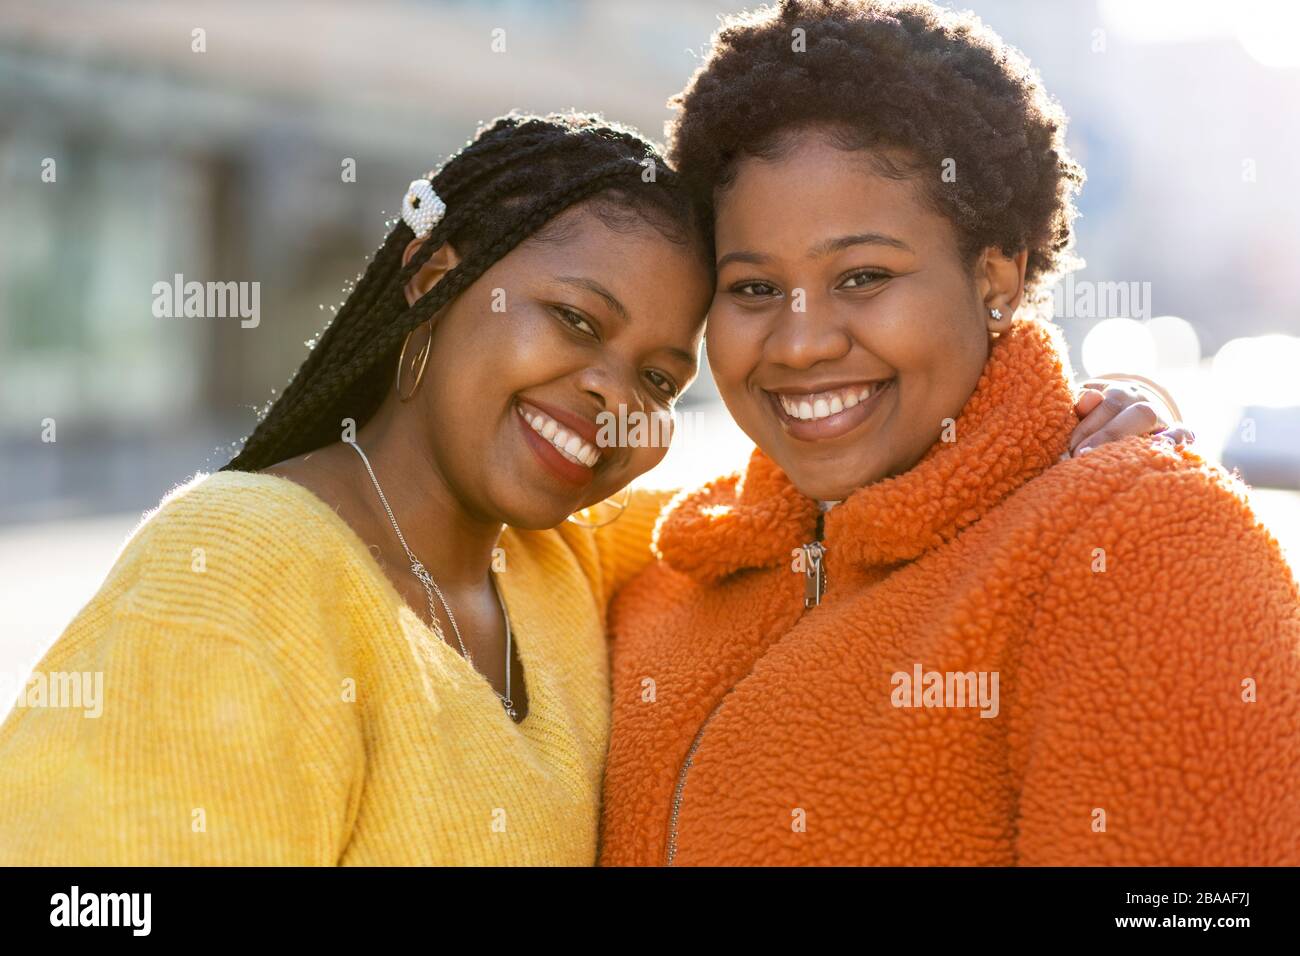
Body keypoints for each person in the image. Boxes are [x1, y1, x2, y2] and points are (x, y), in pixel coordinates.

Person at [0, 112, 1178, 864]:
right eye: (574, 319)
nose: (608, 398)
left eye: (659, 375)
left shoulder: (561, 562)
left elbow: (816, 494)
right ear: (437, 270)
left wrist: (1076, 421)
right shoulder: (240, 569)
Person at [597, 0, 1300, 866]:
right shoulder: (664, 571)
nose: (804, 340)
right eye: (753, 288)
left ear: (996, 278)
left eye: (863, 275)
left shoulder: (1137, 549)